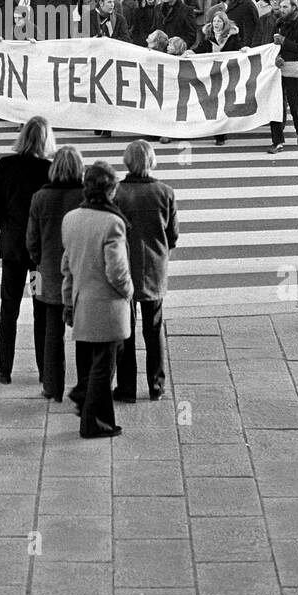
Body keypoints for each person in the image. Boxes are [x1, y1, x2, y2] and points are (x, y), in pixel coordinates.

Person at [62, 161, 133, 439]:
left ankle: (86, 398)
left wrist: (68, 301)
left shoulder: (71, 219)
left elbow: (66, 265)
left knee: (96, 362)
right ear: (110, 191)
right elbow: (116, 270)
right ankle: (95, 422)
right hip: (107, 305)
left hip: (82, 301)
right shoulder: (112, 223)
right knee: (105, 365)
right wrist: (128, 291)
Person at [0, 116, 55, 384]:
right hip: (37, 256)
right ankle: (43, 369)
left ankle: (4, 368)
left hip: (12, 251)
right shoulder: (48, 170)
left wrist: (9, 229)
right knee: (40, 308)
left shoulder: (7, 165)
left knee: (9, 308)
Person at [113, 140, 178, 403]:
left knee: (124, 330)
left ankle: (126, 387)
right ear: (151, 161)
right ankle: (156, 385)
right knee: (154, 328)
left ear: (127, 162)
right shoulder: (165, 192)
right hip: (153, 267)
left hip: (124, 267)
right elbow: (172, 235)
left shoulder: (116, 192)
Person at [26, 146, 85, 402]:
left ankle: (52, 386)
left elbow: (32, 240)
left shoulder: (40, 197)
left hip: (49, 273)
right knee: (84, 334)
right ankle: (84, 384)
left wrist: (41, 262)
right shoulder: (84, 195)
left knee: (52, 332)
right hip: (80, 273)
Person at [268, 0, 298, 154]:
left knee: (294, 104)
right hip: (278, 68)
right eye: (281, 6)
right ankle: (277, 140)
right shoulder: (279, 23)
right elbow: (272, 46)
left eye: (285, 7)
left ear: (294, 8)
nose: (282, 9)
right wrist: (275, 56)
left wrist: (284, 41)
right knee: (277, 104)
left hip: (293, 69)